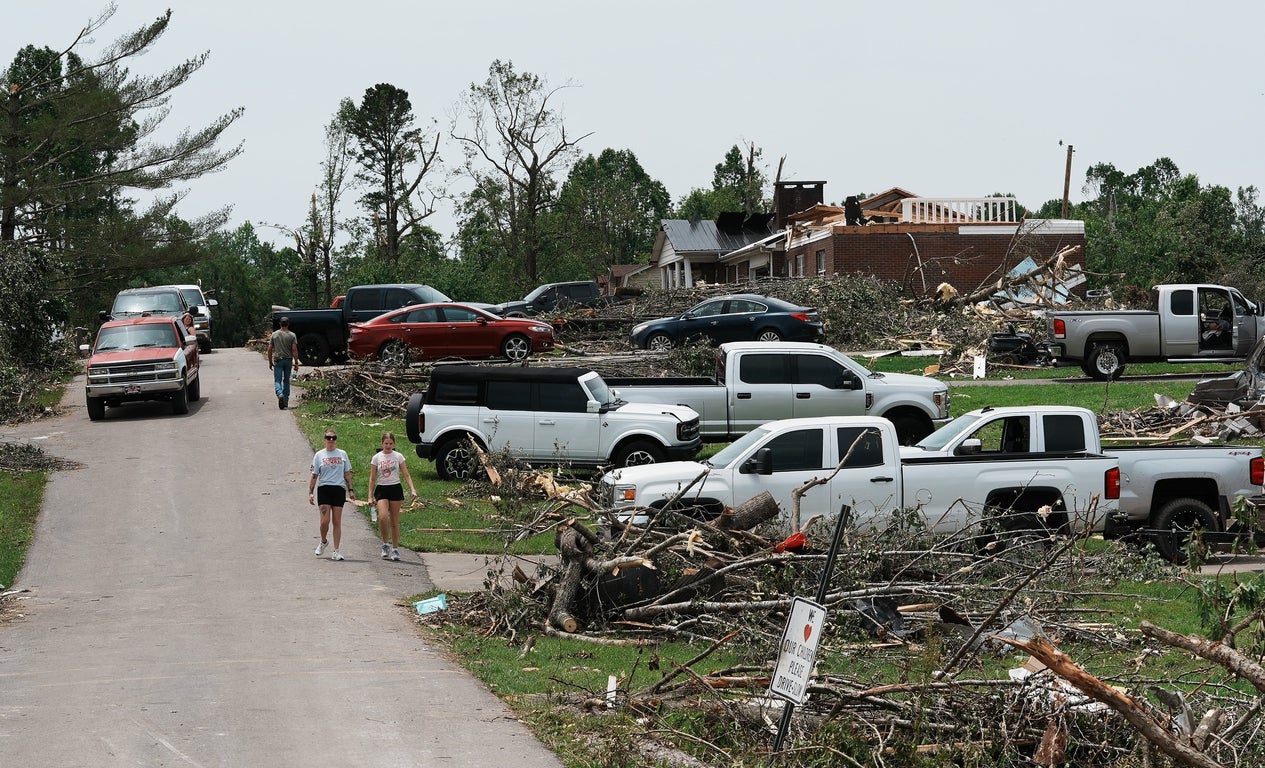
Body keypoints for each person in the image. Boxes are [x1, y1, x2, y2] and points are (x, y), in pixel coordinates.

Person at [367, 431, 418, 561]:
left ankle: (395, 549)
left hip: (395, 488)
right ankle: (385, 544)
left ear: (394, 444)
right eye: (386, 443)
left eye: (390, 443)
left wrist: (412, 489)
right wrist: (370, 496)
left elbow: (406, 474)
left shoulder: (398, 456)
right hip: (382, 489)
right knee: (383, 517)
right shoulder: (376, 458)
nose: (388, 446)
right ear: (382, 443)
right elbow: (372, 478)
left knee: (394, 521)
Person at [309, 430, 354, 561]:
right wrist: (310, 493)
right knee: (324, 521)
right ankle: (323, 541)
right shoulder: (319, 455)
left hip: (339, 489)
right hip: (324, 489)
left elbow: (347, 473)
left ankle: (336, 550)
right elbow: (314, 475)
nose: (331, 440)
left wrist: (351, 490)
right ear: (324, 439)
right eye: (328, 437)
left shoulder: (342, 454)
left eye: (333, 437)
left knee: (337, 521)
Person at [268, 317, 300, 409]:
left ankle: (279, 393)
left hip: (278, 360)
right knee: (286, 381)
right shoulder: (292, 335)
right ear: (288, 324)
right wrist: (296, 362)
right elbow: (294, 350)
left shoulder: (274, 335)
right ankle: (285, 401)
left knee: (278, 380)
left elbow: (270, 349)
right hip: (288, 360)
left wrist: (270, 361)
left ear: (280, 324)